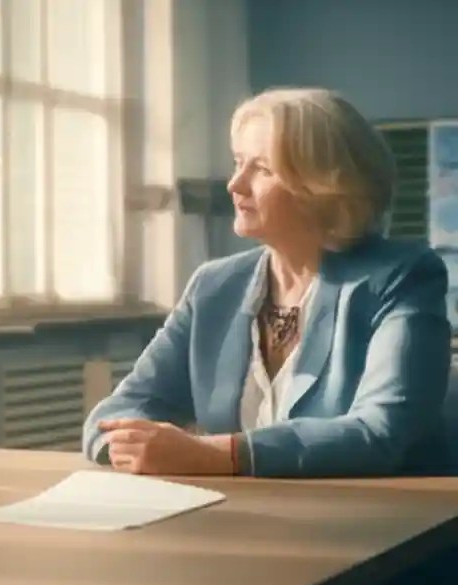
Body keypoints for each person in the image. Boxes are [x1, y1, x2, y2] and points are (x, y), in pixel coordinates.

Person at [84, 87, 451, 479]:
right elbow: (116, 411)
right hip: (244, 516)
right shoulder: (215, 285)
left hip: (379, 523)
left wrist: (218, 455)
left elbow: (379, 434)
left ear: (325, 186)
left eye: (261, 169)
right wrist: (131, 448)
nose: (234, 185)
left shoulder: (402, 276)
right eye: (238, 163)